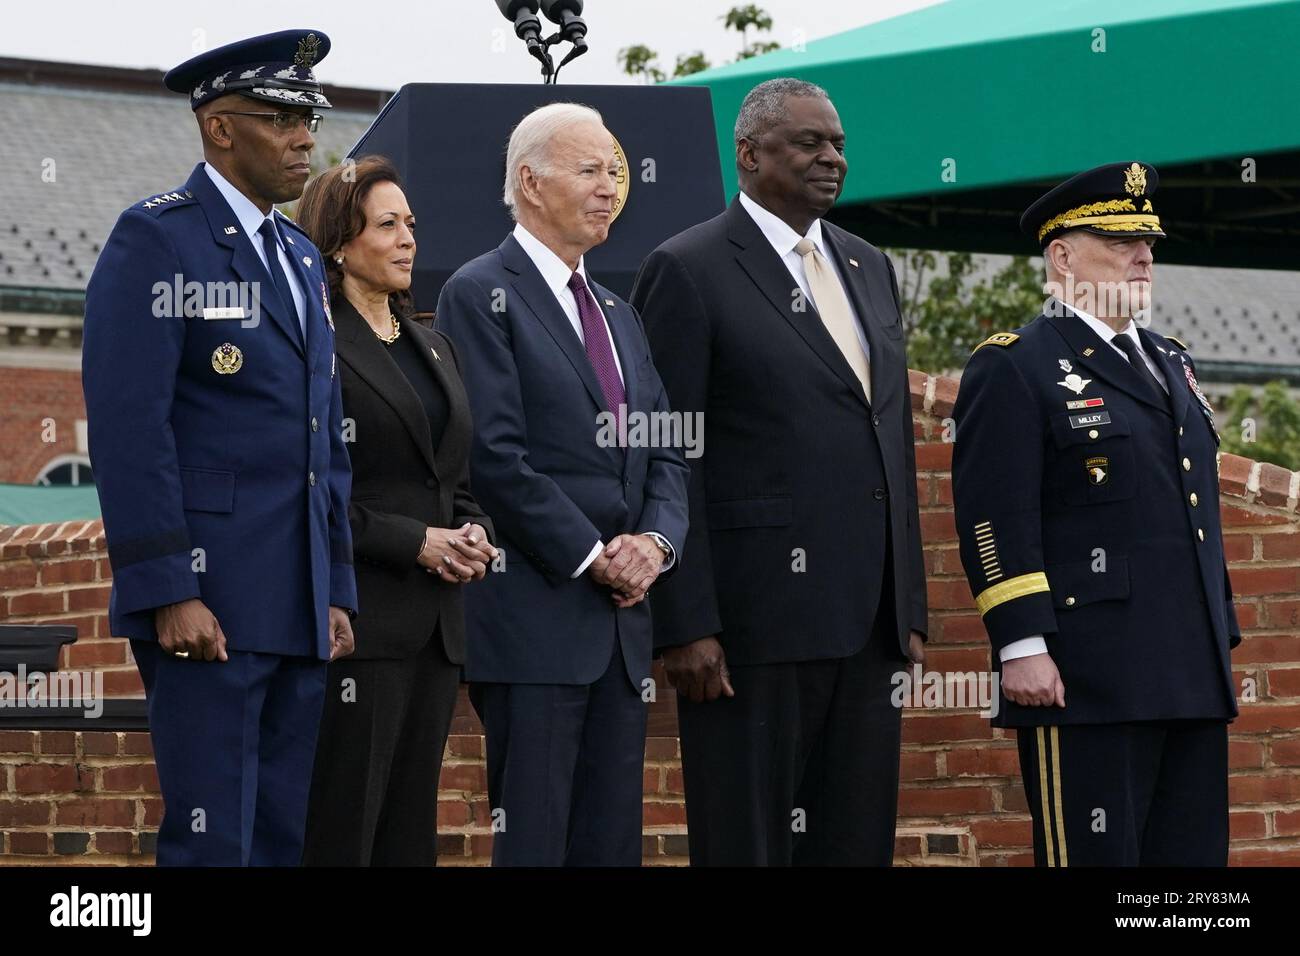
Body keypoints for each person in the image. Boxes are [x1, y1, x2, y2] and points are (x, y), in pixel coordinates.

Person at [629, 78, 928, 866]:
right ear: (750, 152)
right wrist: (686, 621)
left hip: (868, 621)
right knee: (749, 842)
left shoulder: (868, 266)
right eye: (811, 143)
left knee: (854, 841)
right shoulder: (687, 267)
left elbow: (887, 436)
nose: (833, 157)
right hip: (752, 624)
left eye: (839, 144)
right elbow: (667, 446)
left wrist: (910, 604)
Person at [81, 30, 356, 866]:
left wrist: (336, 585)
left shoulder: (304, 257)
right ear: (220, 128)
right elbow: (131, 429)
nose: (305, 135)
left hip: (299, 600)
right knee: (211, 839)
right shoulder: (158, 239)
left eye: (308, 116)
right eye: (281, 117)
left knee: (277, 835)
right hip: (211, 596)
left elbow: (324, 441)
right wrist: (169, 586)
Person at [951, 161, 1240, 866]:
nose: (1144, 254)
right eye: (1120, 240)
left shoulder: (1171, 360)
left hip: (1189, 669)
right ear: (1062, 256)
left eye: (1148, 240)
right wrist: (1020, 643)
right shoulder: (1017, 363)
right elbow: (993, 514)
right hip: (1085, 673)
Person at [436, 102, 689, 866]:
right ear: (529, 181)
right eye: (589, 169)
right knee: (538, 843)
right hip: (536, 622)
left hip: (620, 635)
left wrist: (654, 542)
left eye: (614, 170)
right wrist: (592, 554)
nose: (610, 186)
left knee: (611, 848)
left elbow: (666, 447)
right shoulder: (479, 292)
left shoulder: (619, 311)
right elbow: (494, 457)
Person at [294, 156, 497, 866]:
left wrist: (475, 534)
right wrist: (415, 541)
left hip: (438, 632)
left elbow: (457, 479)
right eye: (388, 224)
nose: (409, 238)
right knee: (344, 829)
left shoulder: (435, 344)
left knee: (410, 837)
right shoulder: (313, 345)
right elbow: (309, 489)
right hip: (361, 624)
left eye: (411, 223)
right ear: (340, 241)